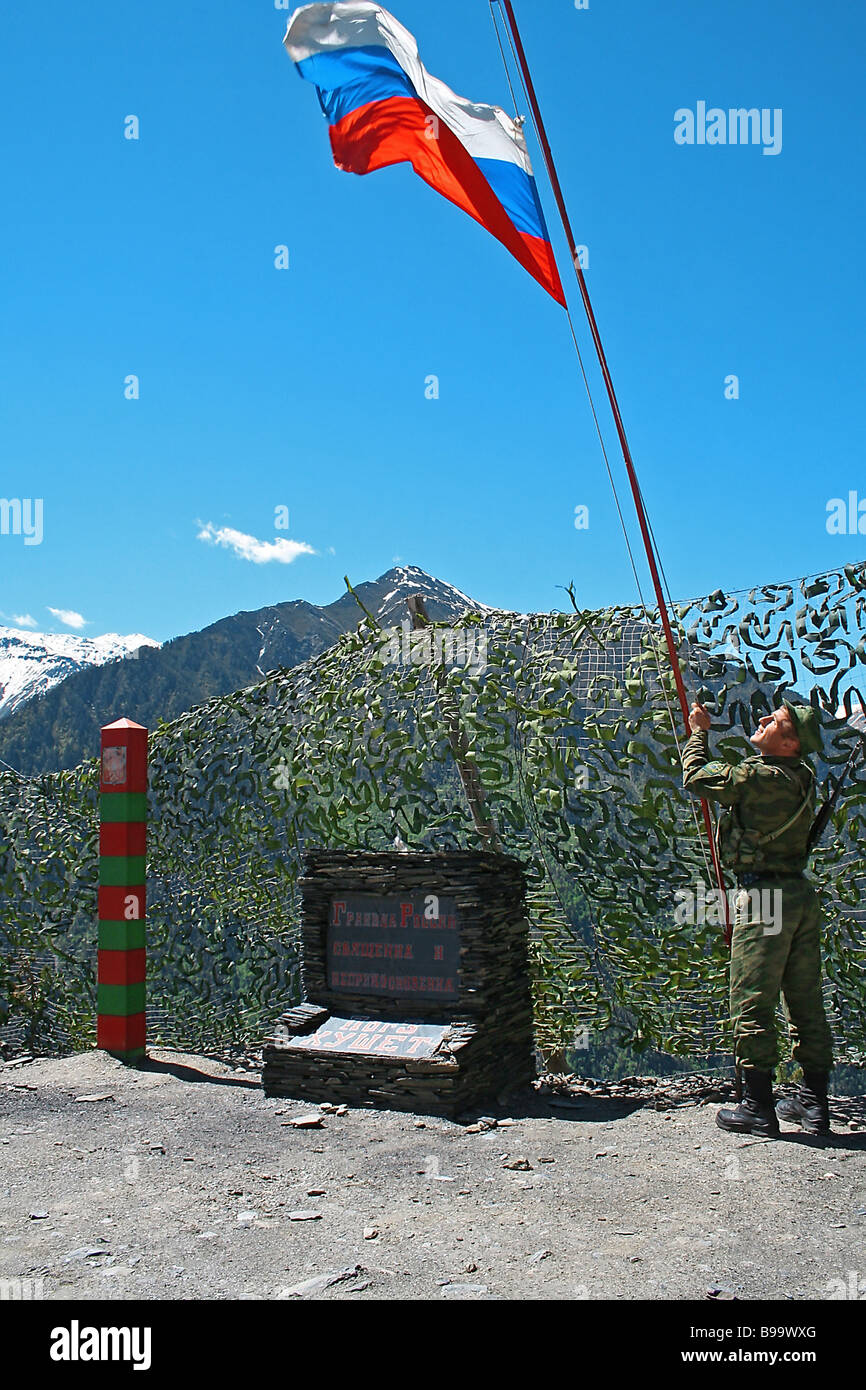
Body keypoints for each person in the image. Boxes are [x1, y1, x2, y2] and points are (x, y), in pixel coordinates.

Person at [682, 698, 833, 1137]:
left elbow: (696, 777)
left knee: (752, 999)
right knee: (805, 1001)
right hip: (800, 895)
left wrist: (697, 731)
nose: (764, 718)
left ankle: (757, 1106)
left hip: (765, 897)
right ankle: (813, 1103)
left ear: (789, 742)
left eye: (777, 721)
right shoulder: (804, 777)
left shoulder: (755, 775)